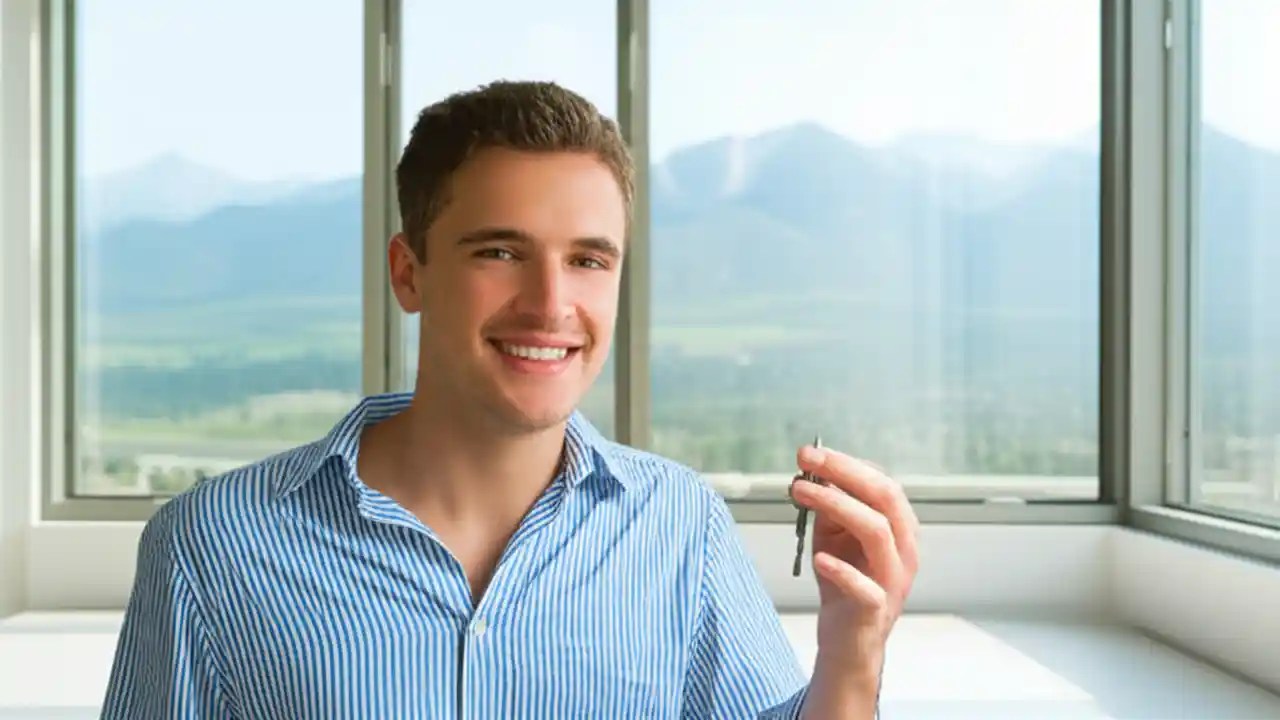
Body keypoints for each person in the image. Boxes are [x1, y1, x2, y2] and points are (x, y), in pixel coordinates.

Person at [101, 80, 919, 719]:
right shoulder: (212, 546)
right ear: (408, 273)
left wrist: (853, 653)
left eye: (589, 261)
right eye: (500, 252)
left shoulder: (681, 528)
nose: (550, 304)